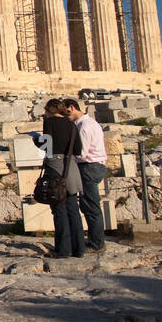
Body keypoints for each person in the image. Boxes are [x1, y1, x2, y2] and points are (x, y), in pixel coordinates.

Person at [41, 99, 85, 258]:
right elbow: (79, 149)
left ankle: (63, 250)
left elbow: (47, 146)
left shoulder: (50, 122)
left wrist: (35, 140)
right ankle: (79, 249)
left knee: (59, 210)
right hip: (71, 167)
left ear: (50, 110)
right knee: (73, 209)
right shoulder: (72, 125)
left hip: (55, 168)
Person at [64, 98, 108, 252]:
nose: (65, 115)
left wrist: (66, 155)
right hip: (96, 165)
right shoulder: (90, 123)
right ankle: (96, 240)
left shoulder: (84, 127)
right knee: (90, 205)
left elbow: (82, 153)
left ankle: (97, 244)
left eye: (66, 112)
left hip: (89, 167)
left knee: (90, 206)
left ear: (72, 107)